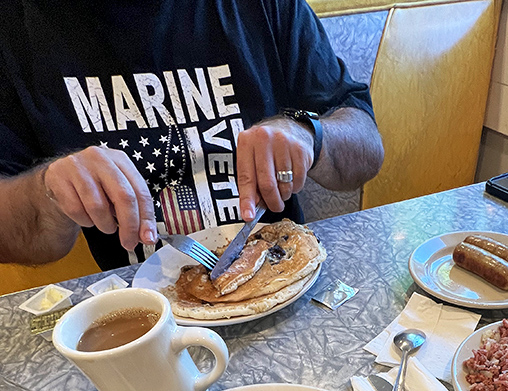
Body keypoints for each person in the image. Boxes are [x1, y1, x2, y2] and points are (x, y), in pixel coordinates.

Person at [0, 1, 383, 271]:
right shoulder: (15, 27)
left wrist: (309, 134)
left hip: (279, 275)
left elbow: (366, 146)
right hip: (145, 316)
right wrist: (48, 190)